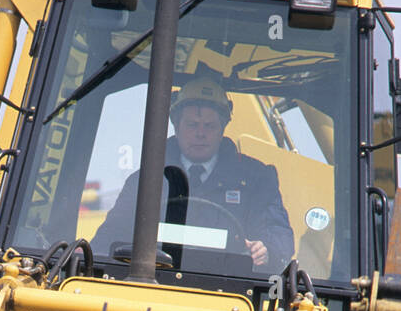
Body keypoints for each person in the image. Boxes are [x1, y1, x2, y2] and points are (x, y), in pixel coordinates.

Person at [94, 77, 295, 270]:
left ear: (223, 128)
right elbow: (111, 235)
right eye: (192, 125)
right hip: (154, 284)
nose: (200, 133)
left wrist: (267, 250)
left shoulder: (257, 180)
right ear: (177, 126)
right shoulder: (145, 180)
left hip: (232, 290)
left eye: (209, 126)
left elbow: (279, 236)